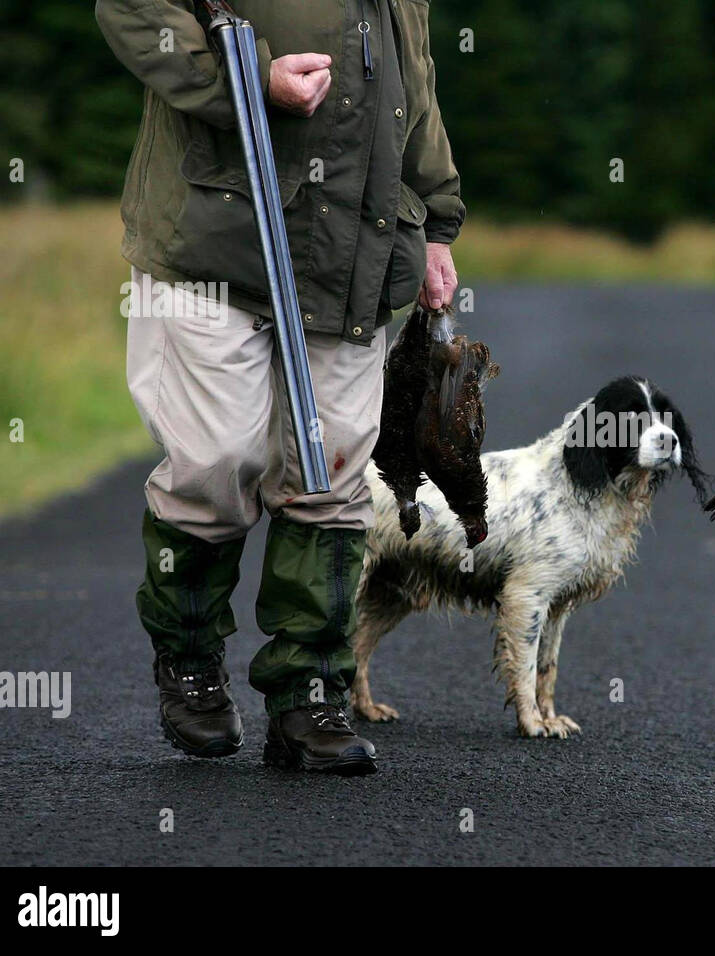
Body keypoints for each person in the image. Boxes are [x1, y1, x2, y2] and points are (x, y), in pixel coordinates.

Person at [96, 0, 465, 774]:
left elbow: (414, 79)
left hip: (355, 253)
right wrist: (247, 82)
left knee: (329, 474)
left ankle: (309, 690)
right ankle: (190, 661)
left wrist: (436, 220)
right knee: (214, 464)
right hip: (213, 236)